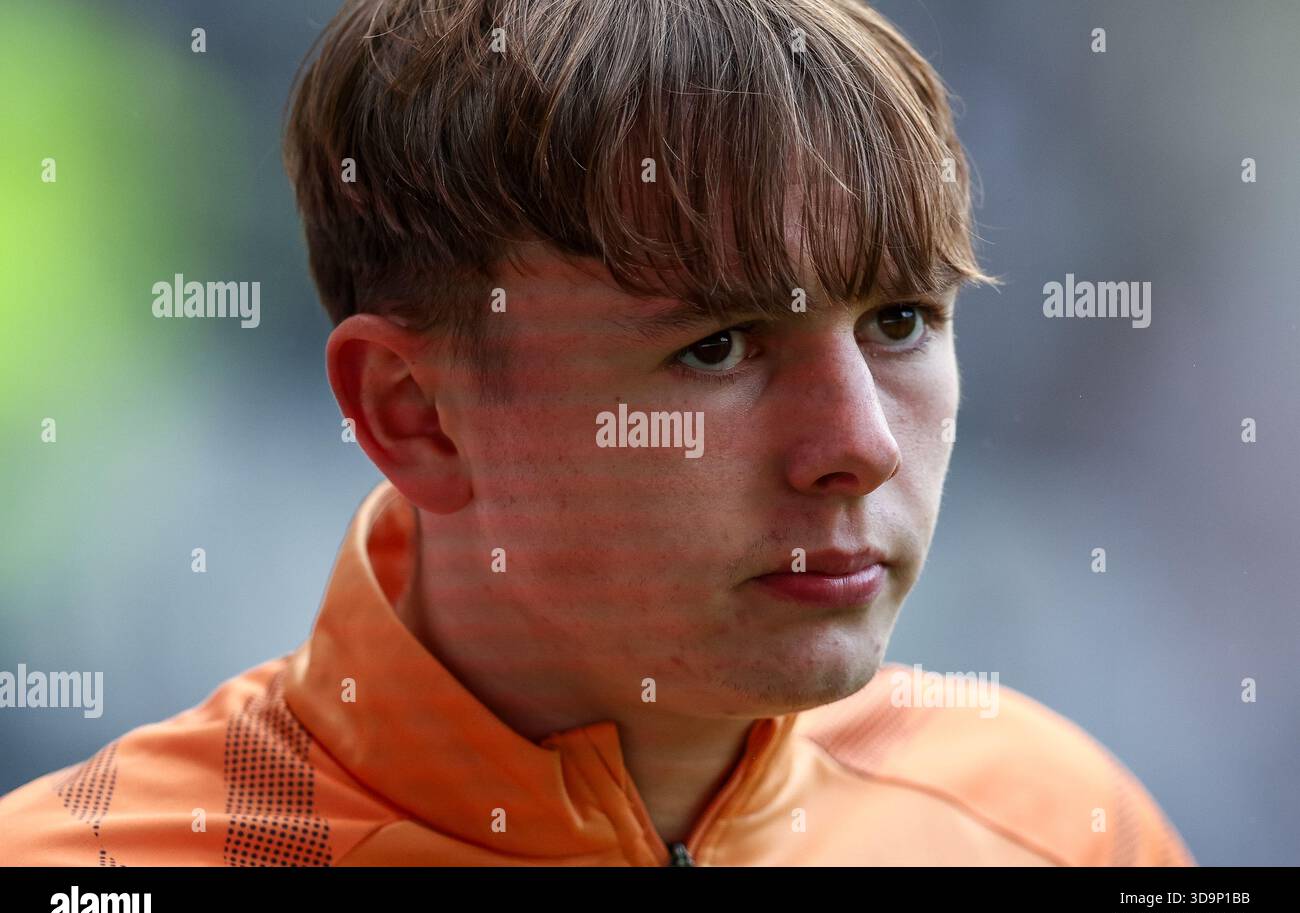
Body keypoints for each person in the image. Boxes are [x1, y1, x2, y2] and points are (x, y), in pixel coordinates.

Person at [0, 0, 1194, 866]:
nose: (859, 445)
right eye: (716, 346)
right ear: (413, 416)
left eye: (898, 320)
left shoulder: (1056, 823)